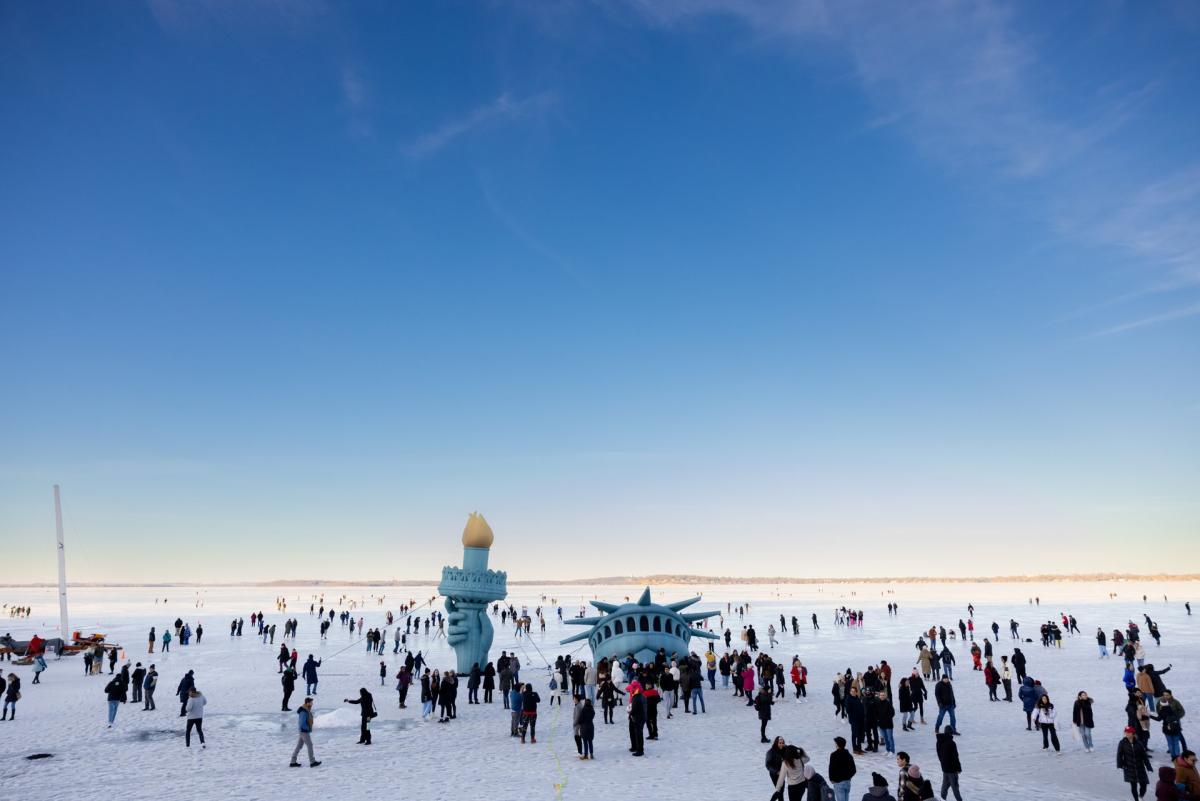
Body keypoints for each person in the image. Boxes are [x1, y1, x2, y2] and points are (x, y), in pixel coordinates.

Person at [1118, 725, 1152, 801]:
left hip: (1140, 767)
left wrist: (1149, 767)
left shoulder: (1139, 743)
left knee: (1144, 784)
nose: (1127, 734)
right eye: (1126, 732)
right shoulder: (1122, 743)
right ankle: (1136, 799)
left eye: (1128, 732)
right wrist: (1121, 765)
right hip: (1129, 768)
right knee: (1133, 786)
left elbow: (1144, 756)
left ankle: (1141, 796)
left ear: (1133, 733)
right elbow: (1119, 755)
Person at [289, 697, 322, 767]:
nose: (312, 704)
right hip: (304, 731)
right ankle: (312, 762)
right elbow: (302, 723)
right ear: (307, 703)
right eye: (311, 702)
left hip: (303, 731)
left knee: (299, 746)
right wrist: (306, 729)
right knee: (310, 745)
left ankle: (293, 762)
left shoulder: (306, 710)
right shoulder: (303, 711)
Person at [936, 730, 962, 800]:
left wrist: (943, 763)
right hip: (952, 770)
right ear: (950, 733)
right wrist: (958, 768)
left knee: (944, 789)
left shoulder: (939, 741)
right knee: (955, 790)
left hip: (945, 768)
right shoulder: (952, 743)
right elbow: (955, 757)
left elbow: (939, 754)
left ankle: (942, 800)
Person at [830, 736, 857, 801]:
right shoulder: (849, 755)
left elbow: (831, 768)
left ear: (837, 744)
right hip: (847, 782)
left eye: (835, 743)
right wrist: (848, 777)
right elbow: (854, 770)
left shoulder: (834, 755)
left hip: (838, 782)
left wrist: (832, 779)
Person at [628, 684, 645, 756]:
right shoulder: (641, 696)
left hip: (637, 718)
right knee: (635, 733)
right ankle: (635, 747)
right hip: (639, 718)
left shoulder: (636, 697)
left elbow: (634, 709)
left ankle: (640, 750)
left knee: (638, 734)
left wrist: (629, 712)